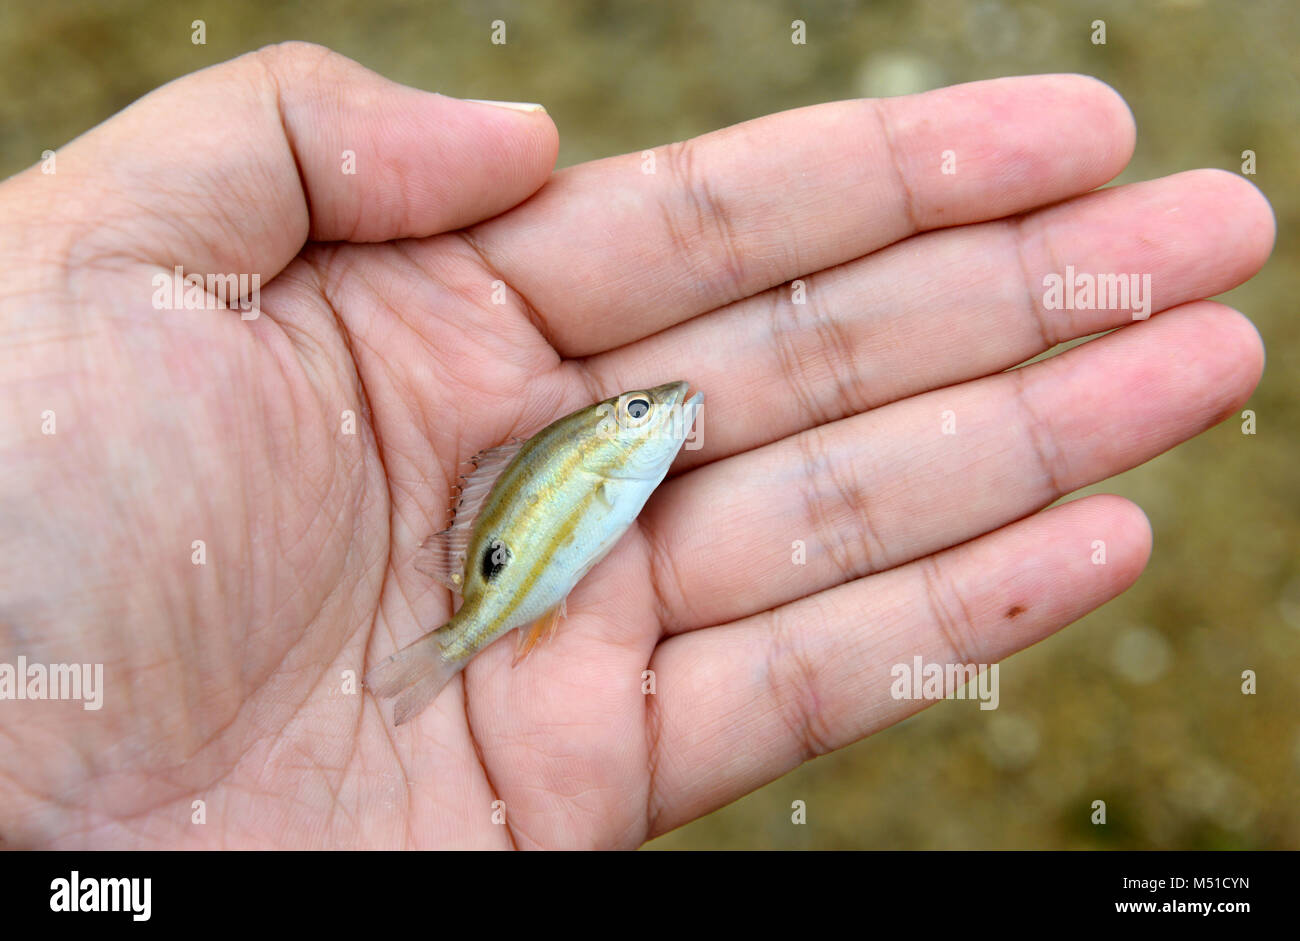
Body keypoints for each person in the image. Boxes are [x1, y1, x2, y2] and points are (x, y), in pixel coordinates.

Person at [0, 42, 1273, 848]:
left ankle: (462, 634)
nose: (656, 419)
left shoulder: (622, 460)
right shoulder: (608, 459)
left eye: (647, 416)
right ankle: (460, 638)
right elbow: (555, 495)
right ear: (626, 435)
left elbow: (569, 497)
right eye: (639, 414)